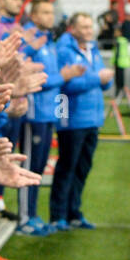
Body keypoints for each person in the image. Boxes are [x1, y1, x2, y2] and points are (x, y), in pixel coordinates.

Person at [18, 0, 86, 234]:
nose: (51, 17)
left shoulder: (47, 41)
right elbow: (33, 79)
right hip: (33, 113)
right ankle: (25, 218)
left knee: (37, 168)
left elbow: (54, 80)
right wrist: (64, 76)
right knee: (28, 167)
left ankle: (34, 215)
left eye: (51, 13)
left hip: (48, 114)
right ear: (33, 16)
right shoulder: (30, 40)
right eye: (45, 13)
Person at [49, 12, 114, 230]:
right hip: (72, 117)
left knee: (83, 168)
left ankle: (74, 212)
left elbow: (101, 83)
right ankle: (58, 215)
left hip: (93, 118)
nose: (89, 31)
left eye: (90, 26)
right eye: (84, 27)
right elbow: (66, 84)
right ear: (72, 29)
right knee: (67, 166)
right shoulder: (64, 51)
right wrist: (97, 78)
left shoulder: (92, 49)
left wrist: (106, 80)